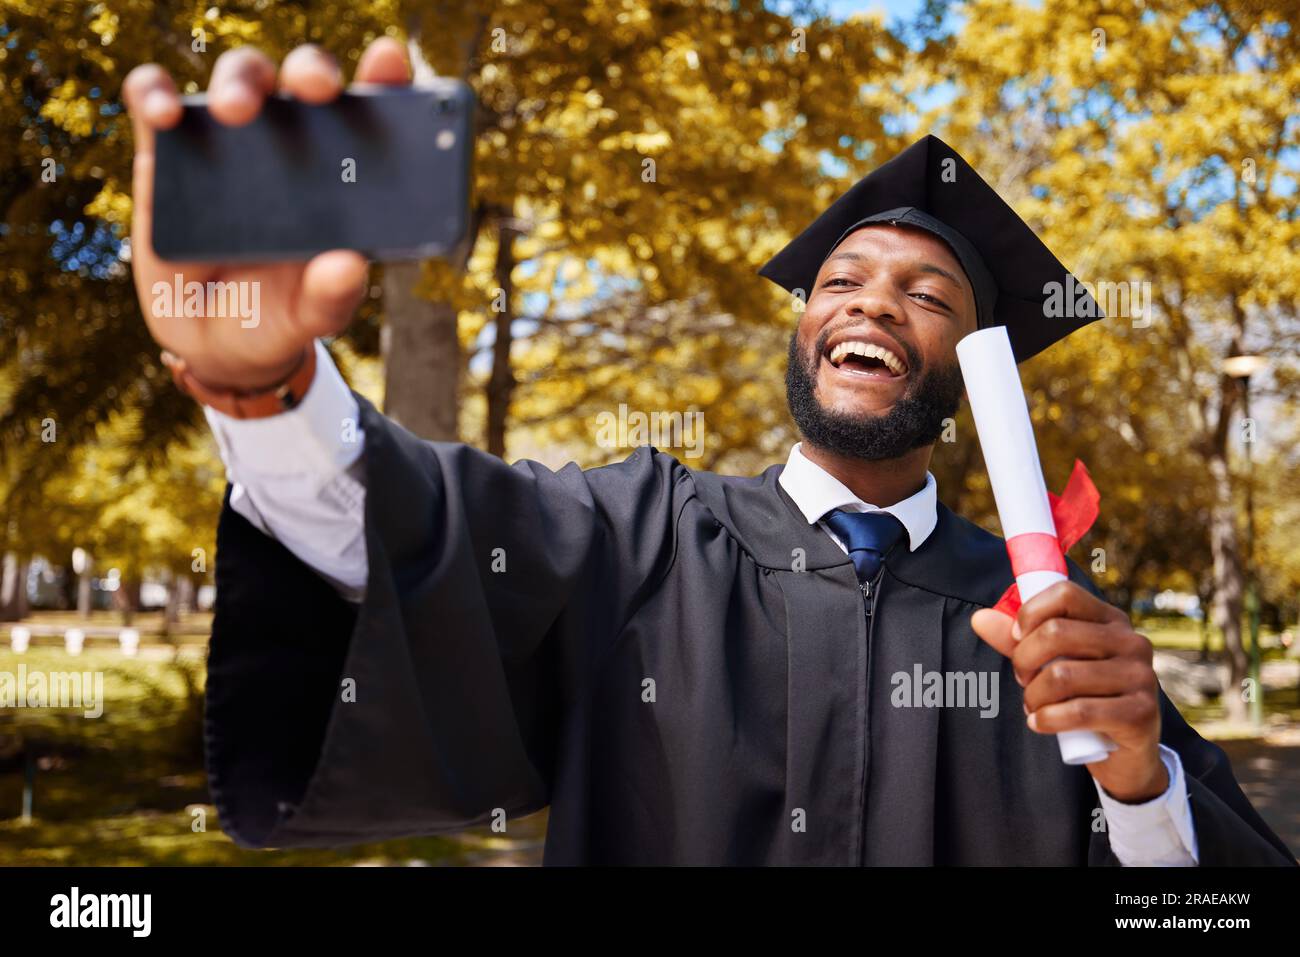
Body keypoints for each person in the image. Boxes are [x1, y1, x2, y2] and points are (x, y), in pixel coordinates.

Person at [123, 38, 1294, 865]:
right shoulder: (642, 536)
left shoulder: (1046, 620)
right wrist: (262, 386)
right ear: (801, 328)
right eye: (838, 281)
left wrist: (1138, 779)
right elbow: (416, 529)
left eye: (927, 293)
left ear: (973, 368)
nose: (871, 304)